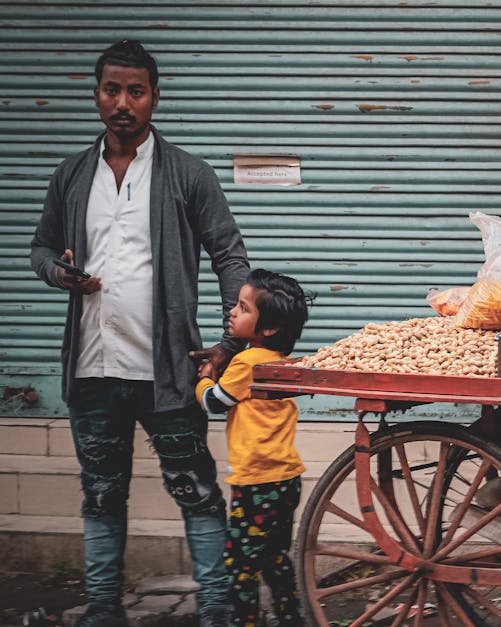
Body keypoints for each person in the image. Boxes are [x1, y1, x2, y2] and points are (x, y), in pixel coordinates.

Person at [29, 40, 248, 627]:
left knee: (196, 491)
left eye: (135, 90)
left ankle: (216, 609)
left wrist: (230, 343)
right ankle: (103, 609)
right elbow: (42, 247)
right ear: (96, 94)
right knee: (102, 496)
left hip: (170, 370)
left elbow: (230, 255)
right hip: (92, 368)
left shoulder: (187, 174)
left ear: (155, 97)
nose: (122, 102)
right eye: (111, 89)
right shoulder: (72, 175)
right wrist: (58, 272)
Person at [196, 269, 310, 627]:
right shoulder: (278, 361)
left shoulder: (247, 362)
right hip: (285, 478)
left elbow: (216, 402)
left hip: (256, 483)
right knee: (275, 557)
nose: (232, 311)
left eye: (243, 308)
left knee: (240, 566)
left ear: (268, 328)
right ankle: (290, 619)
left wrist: (201, 380)